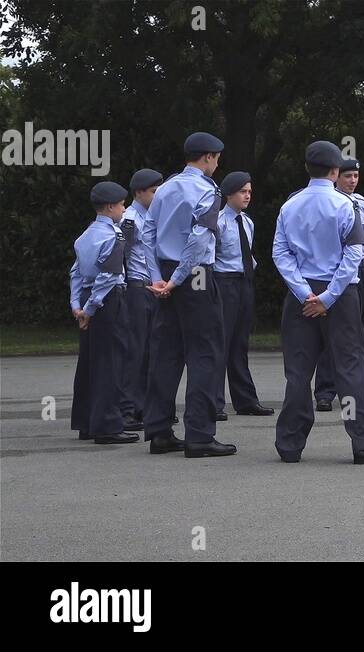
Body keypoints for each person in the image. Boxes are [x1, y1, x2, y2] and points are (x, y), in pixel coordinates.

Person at [272, 141, 364, 464]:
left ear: (307, 168)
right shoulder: (346, 206)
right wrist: (329, 296)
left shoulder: (289, 207)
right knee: (349, 369)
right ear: (335, 172)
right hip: (341, 295)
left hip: (300, 297)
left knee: (298, 371)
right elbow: (354, 254)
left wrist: (303, 292)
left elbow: (280, 253)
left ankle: (290, 444)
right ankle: (361, 442)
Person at [141, 131, 236, 458]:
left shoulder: (164, 189)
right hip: (193, 275)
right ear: (208, 157)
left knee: (166, 352)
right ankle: (199, 434)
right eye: (217, 157)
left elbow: (146, 234)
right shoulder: (209, 191)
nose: (217, 163)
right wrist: (179, 278)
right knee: (205, 353)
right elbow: (198, 241)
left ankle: (159, 430)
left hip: (164, 271)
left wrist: (159, 278)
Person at [314, 159, 364, 411]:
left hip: (358, 266)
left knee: (360, 330)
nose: (352, 180)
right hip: (335, 269)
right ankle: (325, 392)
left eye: (356, 176)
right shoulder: (329, 201)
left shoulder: (363, 203)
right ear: (336, 176)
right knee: (331, 330)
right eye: (347, 175)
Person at [70, 181, 139, 445]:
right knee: (111, 361)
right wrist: (90, 309)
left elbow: (76, 273)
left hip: (88, 297)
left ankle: (87, 422)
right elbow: (109, 275)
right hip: (107, 301)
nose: (123, 209)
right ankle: (108, 425)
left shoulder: (85, 236)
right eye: (122, 204)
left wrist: (77, 305)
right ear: (110, 207)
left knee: (89, 361)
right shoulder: (114, 236)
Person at [213, 171, 273, 419]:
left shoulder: (247, 222)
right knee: (220, 343)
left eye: (249, 191)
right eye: (242, 191)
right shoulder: (217, 222)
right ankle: (214, 402)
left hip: (244, 282)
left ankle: (245, 399)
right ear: (229, 194)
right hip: (224, 282)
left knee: (240, 343)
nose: (247, 195)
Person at [118, 168, 162, 432]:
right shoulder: (129, 219)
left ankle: (146, 406)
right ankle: (127, 409)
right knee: (135, 350)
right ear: (139, 193)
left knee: (152, 350)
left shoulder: (154, 216)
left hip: (153, 288)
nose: (158, 196)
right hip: (136, 287)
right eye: (154, 192)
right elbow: (118, 256)